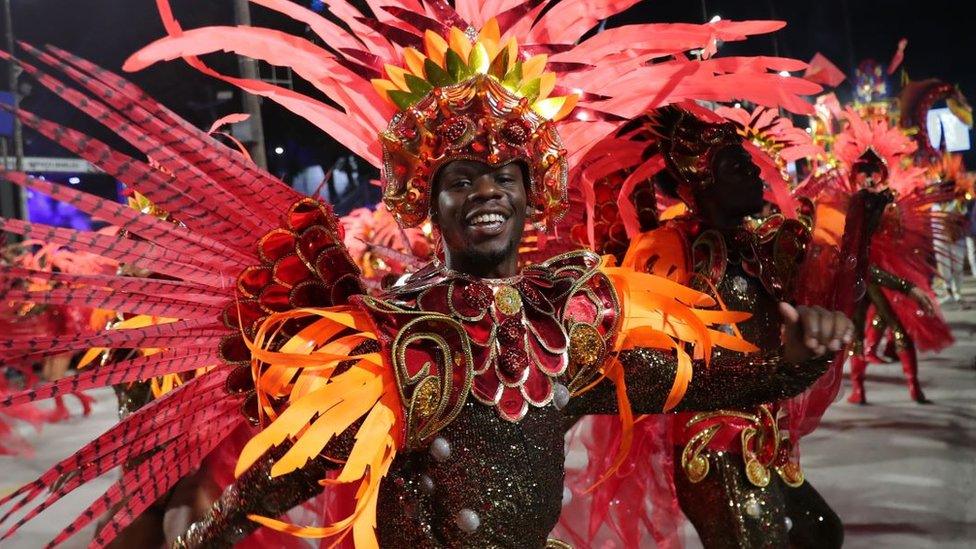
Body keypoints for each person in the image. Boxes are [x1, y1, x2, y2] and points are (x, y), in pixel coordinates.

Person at [0, 4, 846, 547]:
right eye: (460, 178)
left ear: (531, 194)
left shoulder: (571, 317)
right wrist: (216, 532)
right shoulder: (394, 329)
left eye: (503, 174)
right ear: (426, 203)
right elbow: (306, 454)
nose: (485, 191)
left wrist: (800, 357)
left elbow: (691, 381)